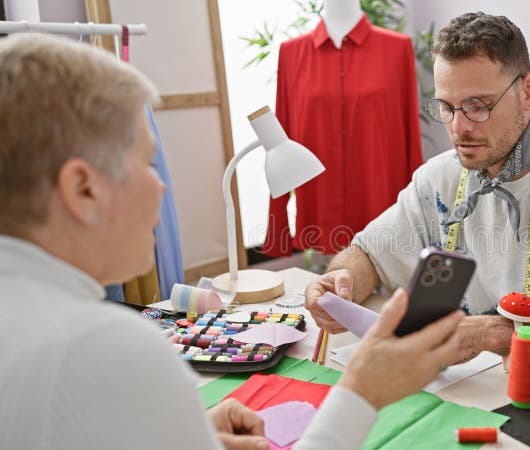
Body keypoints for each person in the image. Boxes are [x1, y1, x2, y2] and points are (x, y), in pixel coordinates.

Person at [0, 33, 463, 450]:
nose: (160, 187)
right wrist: (362, 392)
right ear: (83, 188)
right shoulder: (106, 348)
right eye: (147, 164)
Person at [305, 12, 530, 367]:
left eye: (479, 106)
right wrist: (342, 281)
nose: (459, 127)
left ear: (528, 92)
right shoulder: (439, 178)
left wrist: (492, 334)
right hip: (486, 386)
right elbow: (369, 254)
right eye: (446, 107)